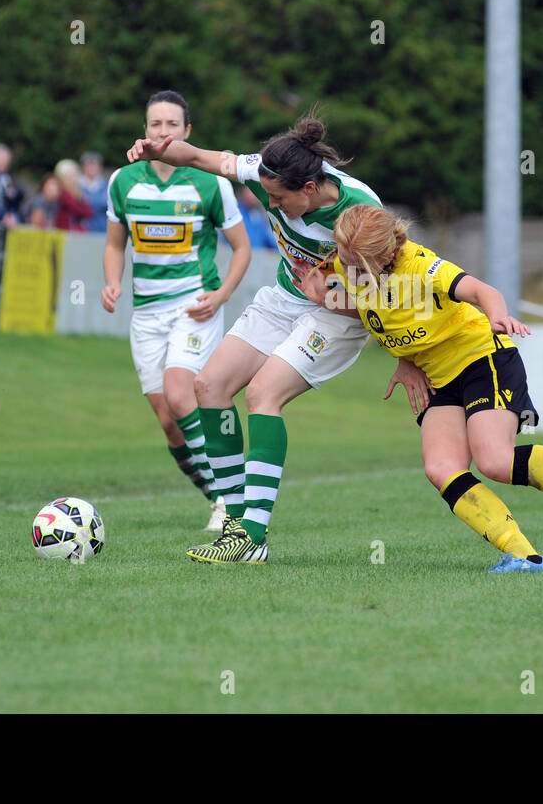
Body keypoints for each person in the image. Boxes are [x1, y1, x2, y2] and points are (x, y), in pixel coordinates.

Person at [290, 205, 543, 571]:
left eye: (356, 265)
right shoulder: (349, 265)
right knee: (441, 468)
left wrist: (497, 314)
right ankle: (524, 556)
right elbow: (373, 308)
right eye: (342, 256)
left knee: (495, 462)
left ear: (385, 255)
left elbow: (478, 289)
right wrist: (328, 299)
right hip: (437, 376)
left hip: (481, 359)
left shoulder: (421, 266)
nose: (344, 266)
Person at [126, 111, 383, 564]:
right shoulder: (271, 171)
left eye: (279, 199)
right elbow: (205, 158)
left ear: (309, 189)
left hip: (339, 317)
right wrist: (159, 150)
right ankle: (233, 523)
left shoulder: (360, 212)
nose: (271, 204)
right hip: (284, 299)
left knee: (263, 393)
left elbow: (382, 295)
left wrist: (329, 298)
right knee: (209, 386)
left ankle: (253, 537)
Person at [103, 91, 252, 532]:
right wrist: (112, 283)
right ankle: (219, 496)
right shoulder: (123, 181)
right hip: (146, 315)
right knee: (169, 421)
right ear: (145, 129)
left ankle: (229, 500)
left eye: (172, 124)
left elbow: (241, 249)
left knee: (180, 390)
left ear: (188, 132)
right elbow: (114, 244)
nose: (163, 131)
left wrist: (222, 294)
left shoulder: (211, 184)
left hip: (195, 307)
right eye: (155, 124)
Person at [80, 152, 110, 233]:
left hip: (103, 230)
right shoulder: (77, 185)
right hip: (83, 230)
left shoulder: (107, 185)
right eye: (88, 165)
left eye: (94, 165)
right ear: (83, 167)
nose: (91, 168)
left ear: (99, 167)